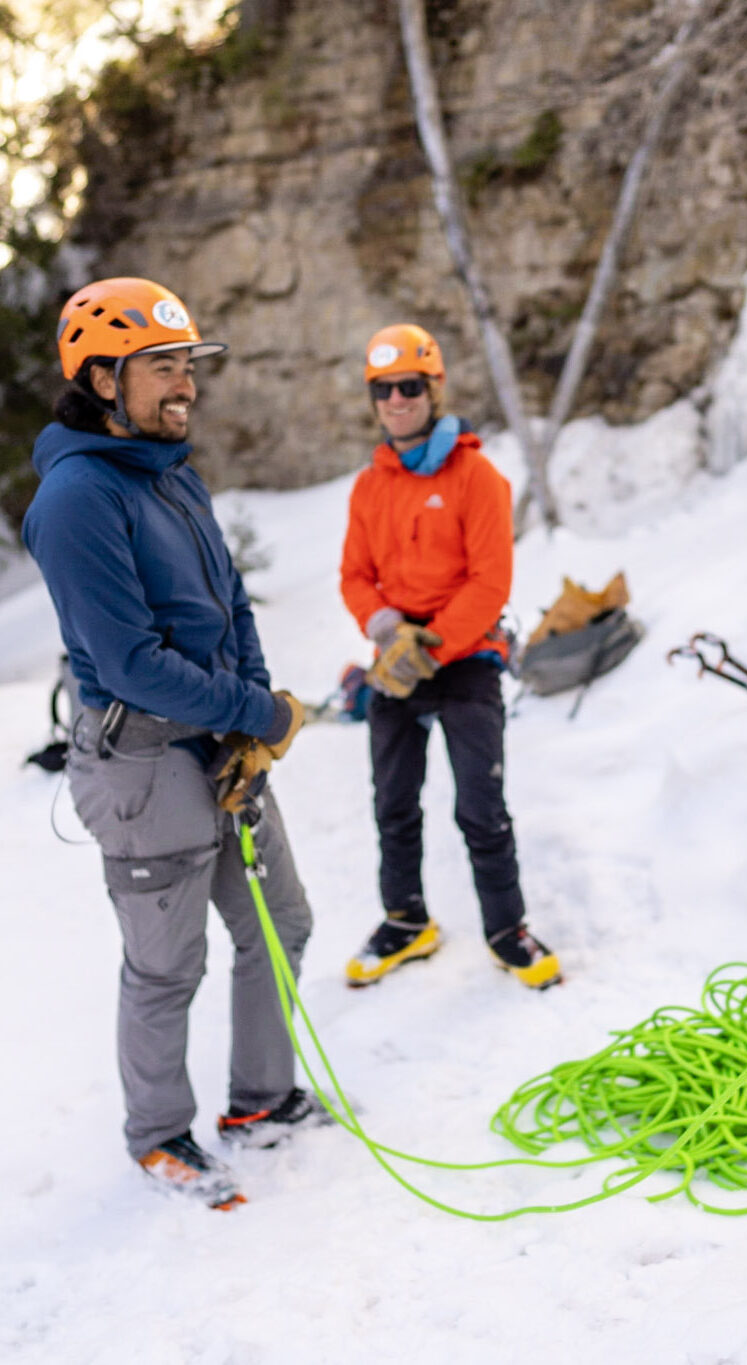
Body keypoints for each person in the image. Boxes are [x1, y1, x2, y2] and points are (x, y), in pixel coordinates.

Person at [22, 277, 330, 1209]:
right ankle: (158, 1134)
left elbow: (229, 602)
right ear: (103, 378)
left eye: (187, 363)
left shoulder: (171, 469)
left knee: (282, 921)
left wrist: (250, 721)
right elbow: (131, 661)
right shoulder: (77, 498)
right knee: (167, 963)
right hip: (145, 762)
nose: (184, 383)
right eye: (162, 366)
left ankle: (260, 1101)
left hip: (220, 745)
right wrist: (256, 710)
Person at [340, 323, 560, 990]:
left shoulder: (477, 477)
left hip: (465, 659)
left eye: (409, 386)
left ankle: (506, 927)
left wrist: (428, 647)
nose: (397, 400)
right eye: (384, 389)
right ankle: (407, 921)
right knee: (393, 802)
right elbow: (354, 575)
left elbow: (490, 581)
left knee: (481, 804)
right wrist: (387, 632)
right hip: (394, 654)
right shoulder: (368, 487)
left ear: (434, 388)